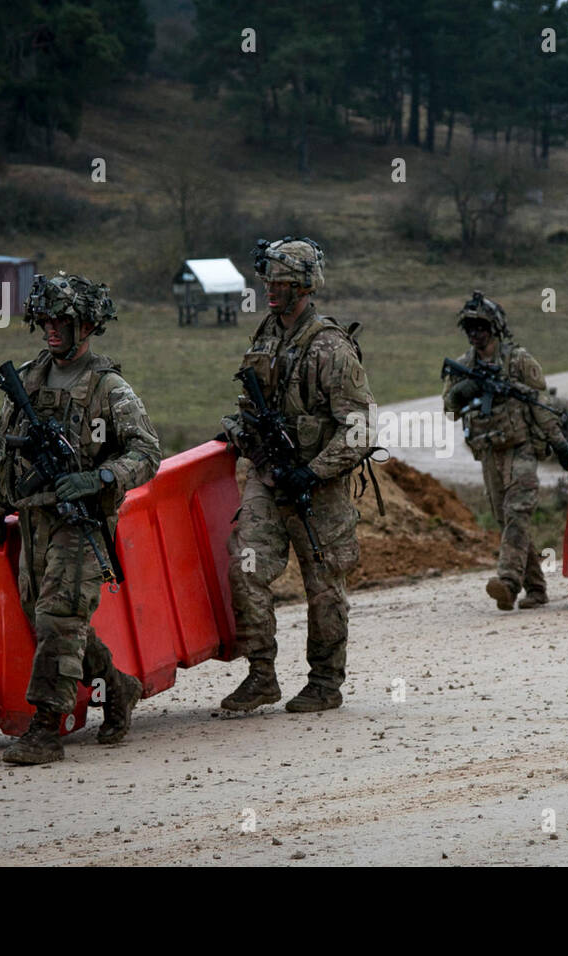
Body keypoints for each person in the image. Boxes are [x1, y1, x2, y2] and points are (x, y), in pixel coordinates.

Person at [0, 272, 161, 763]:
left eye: (62, 320)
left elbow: (147, 453)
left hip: (79, 524)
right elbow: (2, 451)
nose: (50, 328)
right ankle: (118, 685)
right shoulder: (27, 379)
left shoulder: (108, 386)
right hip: (33, 522)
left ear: (87, 326)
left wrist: (99, 480)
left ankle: (45, 728)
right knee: (51, 621)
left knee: (60, 618)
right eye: (45, 319)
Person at [219, 237, 375, 713]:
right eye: (268, 279)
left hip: (316, 489)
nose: (271, 288)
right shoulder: (266, 333)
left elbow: (362, 428)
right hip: (267, 479)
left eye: (281, 281)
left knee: (324, 586)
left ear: (304, 285)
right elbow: (251, 406)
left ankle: (325, 682)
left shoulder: (330, 347)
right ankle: (261, 674)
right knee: (244, 568)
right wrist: (237, 434)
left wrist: (313, 472)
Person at [442, 291, 568, 611]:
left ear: (495, 328)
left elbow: (539, 406)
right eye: (470, 329)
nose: (476, 334)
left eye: (481, 327)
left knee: (518, 513)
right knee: (507, 521)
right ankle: (536, 587)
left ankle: (507, 582)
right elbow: (449, 411)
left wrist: (560, 445)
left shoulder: (517, 361)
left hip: (522, 450)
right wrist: (465, 390)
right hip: (490, 454)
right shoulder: (463, 367)